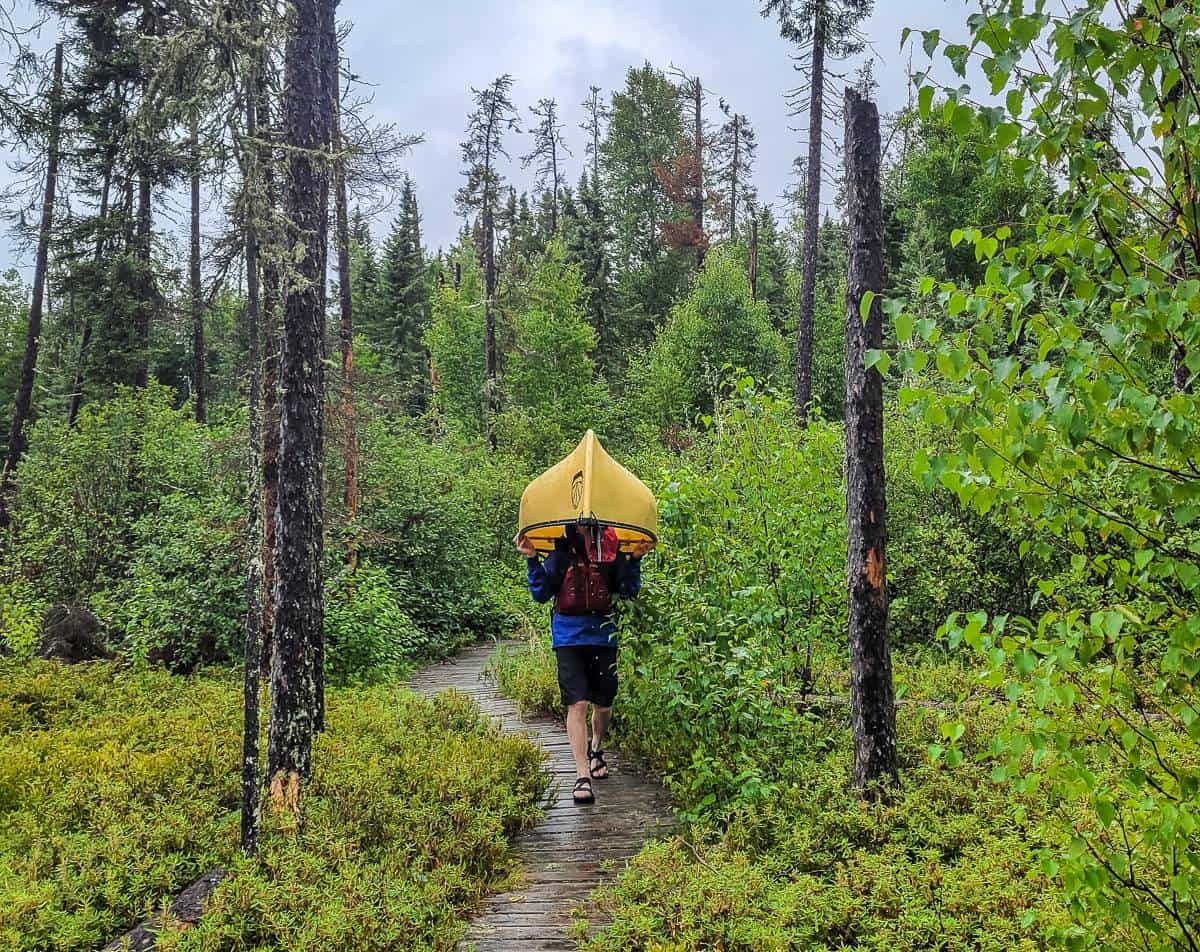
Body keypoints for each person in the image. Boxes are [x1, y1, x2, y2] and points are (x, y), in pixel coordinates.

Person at [515, 523, 653, 805]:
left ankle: (596, 748)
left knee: (604, 704)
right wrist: (531, 558)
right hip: (568, 635)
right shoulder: (561, 552)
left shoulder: (613, 550)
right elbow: (541, 594)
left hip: (604, 634)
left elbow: (628, 590)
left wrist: (636, 558)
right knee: (576, 703)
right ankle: (581, 775)